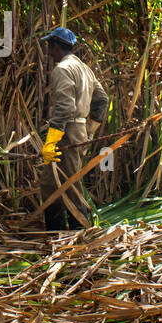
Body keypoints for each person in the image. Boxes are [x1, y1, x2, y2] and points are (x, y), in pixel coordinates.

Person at [39, 27, 109, 231]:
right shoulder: (84, 69)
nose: (48, 51)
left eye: (49, 46)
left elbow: (64, 107)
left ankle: (79, 231)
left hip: (66, 133)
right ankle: (57, 232)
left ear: (55, 46)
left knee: (70, 185)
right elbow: (102, 100)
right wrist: (89, 131)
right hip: (77, 132)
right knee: (51, 183)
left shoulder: (63, 69)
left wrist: (51, 140)